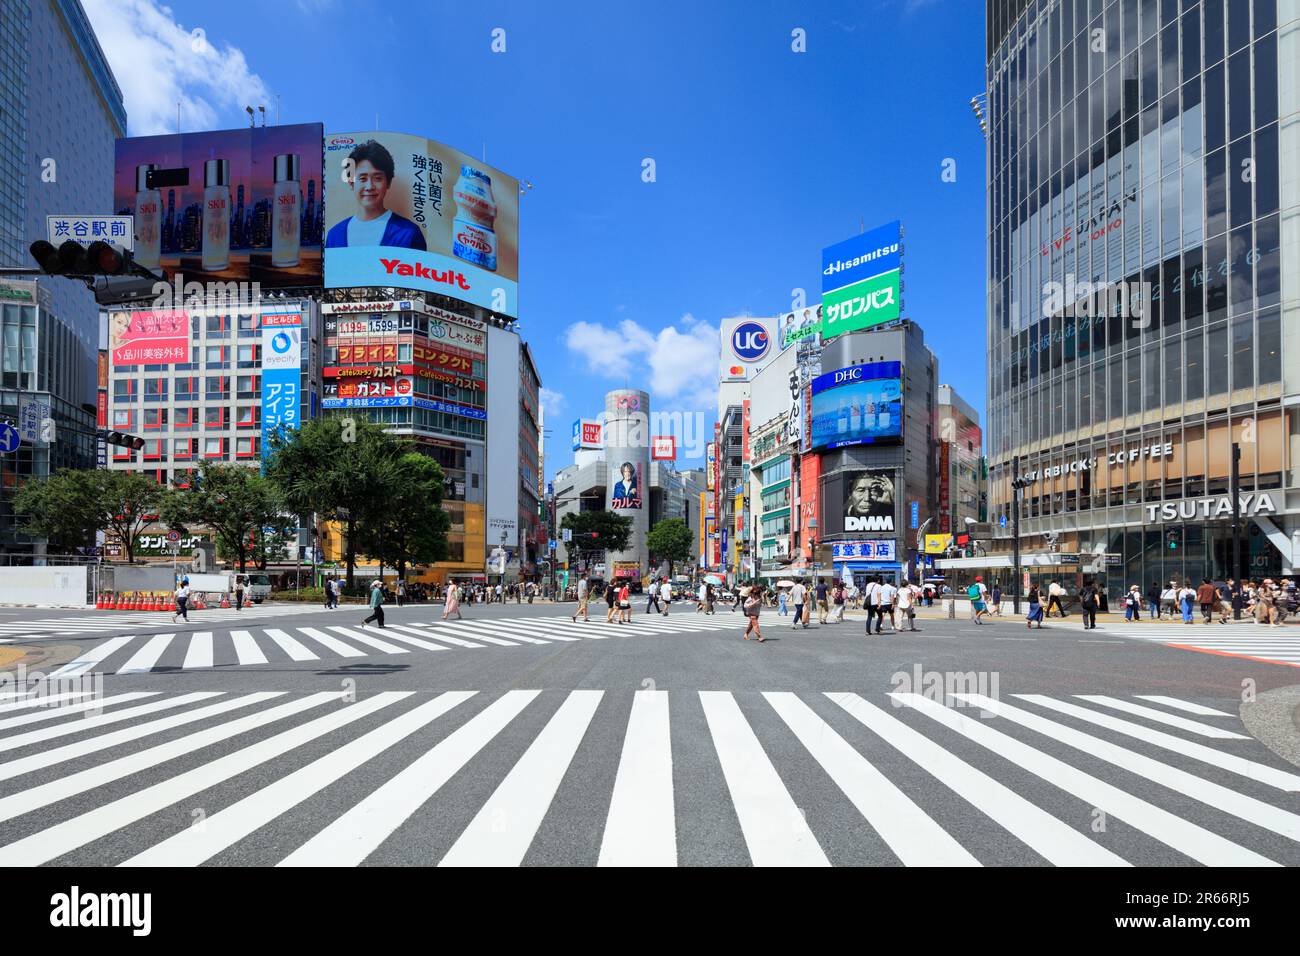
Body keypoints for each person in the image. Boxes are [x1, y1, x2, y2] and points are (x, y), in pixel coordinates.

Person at [324, 139, 427, 250]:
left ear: (388, 182)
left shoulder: (409, 233)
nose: (369, 187)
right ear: (351, 183)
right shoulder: (334, 236)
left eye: (378, 178)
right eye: (362, 178)